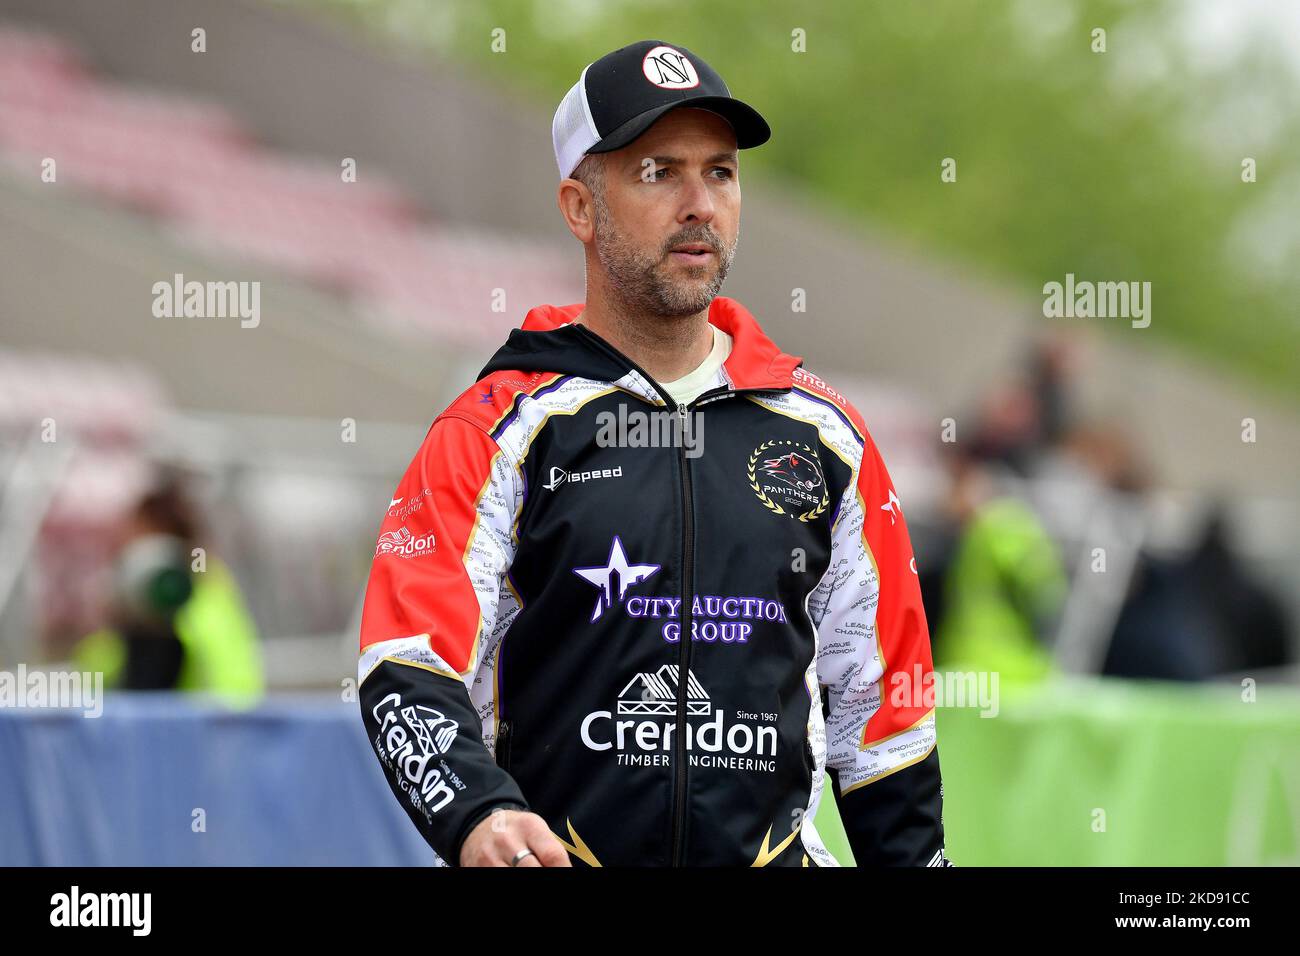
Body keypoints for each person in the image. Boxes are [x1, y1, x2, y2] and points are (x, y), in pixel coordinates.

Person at [357, 40, 949, 867]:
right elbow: (405, 663)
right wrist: (477, 815)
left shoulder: (826, 435)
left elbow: (885, 716)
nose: (699, 203)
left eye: (722, 173)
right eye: (657, 172)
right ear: (579, 207)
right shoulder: (496, 427)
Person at [72, 475, 263, 702]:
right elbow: (90, 680)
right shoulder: (124, 613)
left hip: (192, 728)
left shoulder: (207, 593)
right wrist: (115, 625)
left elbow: (235, 686)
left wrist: (178, 607)